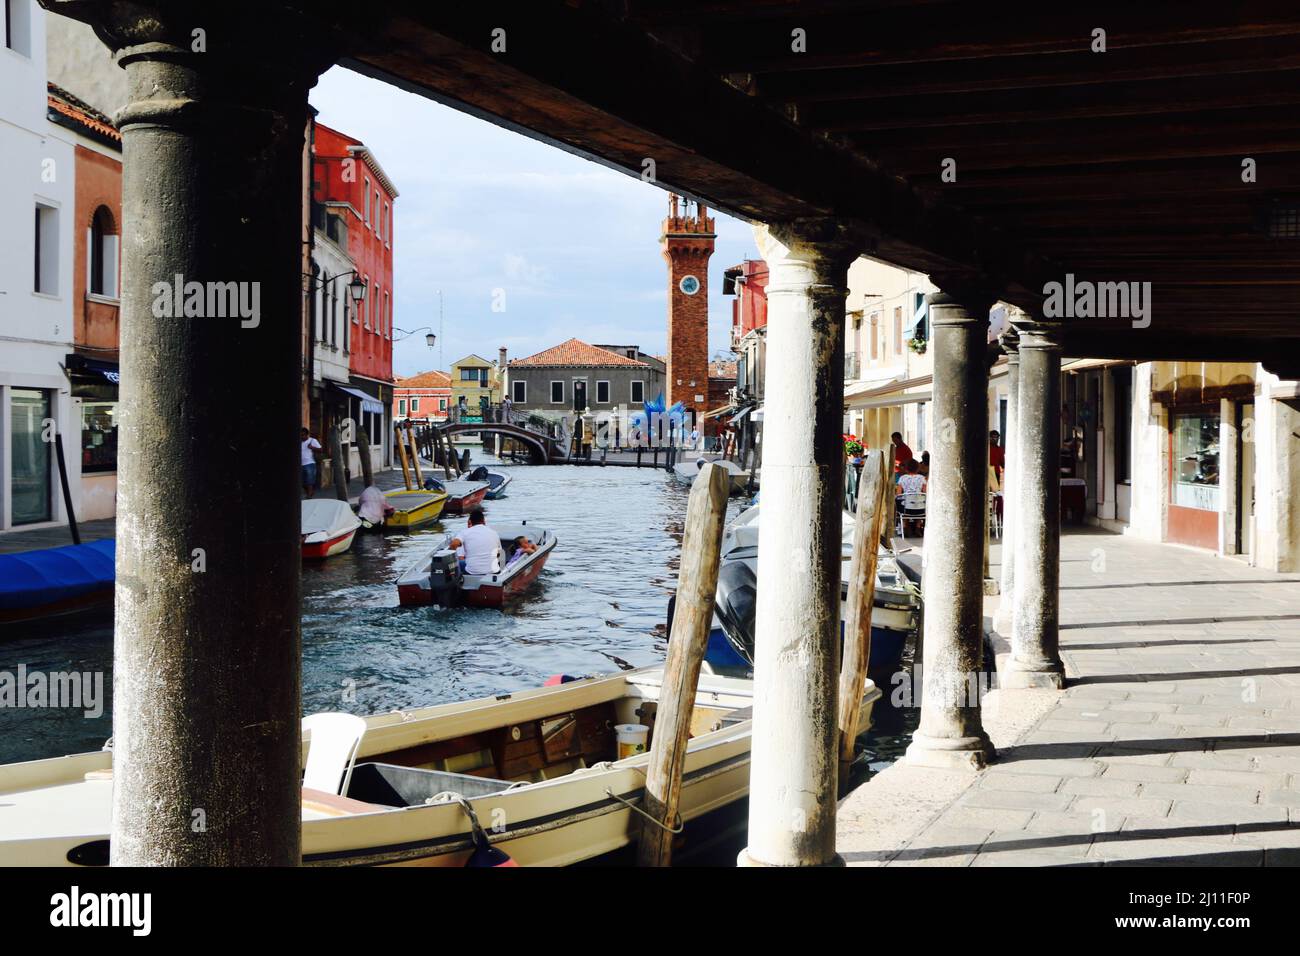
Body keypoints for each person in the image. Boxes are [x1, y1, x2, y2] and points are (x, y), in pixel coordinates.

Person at [450, 506, 500, 575]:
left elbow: (454, 544)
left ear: (470, 521)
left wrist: (451, 558)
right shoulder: (494, 533)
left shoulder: (464, 532)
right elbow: (498, 554)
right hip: (493, 570)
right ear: (484, 521)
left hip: (472, 571)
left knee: (456, 563)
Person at [301, 427, 322, 498]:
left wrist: (312, 447)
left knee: (309, 480)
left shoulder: (312, 440)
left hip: (310, 463)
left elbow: (321, 449)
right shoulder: (300, 442)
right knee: (302, 481)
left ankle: (309, 495)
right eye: (301, 435)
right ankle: (310, 493)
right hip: (301, 464)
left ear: (307, 435)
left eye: (303, 435)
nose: (302, 437)